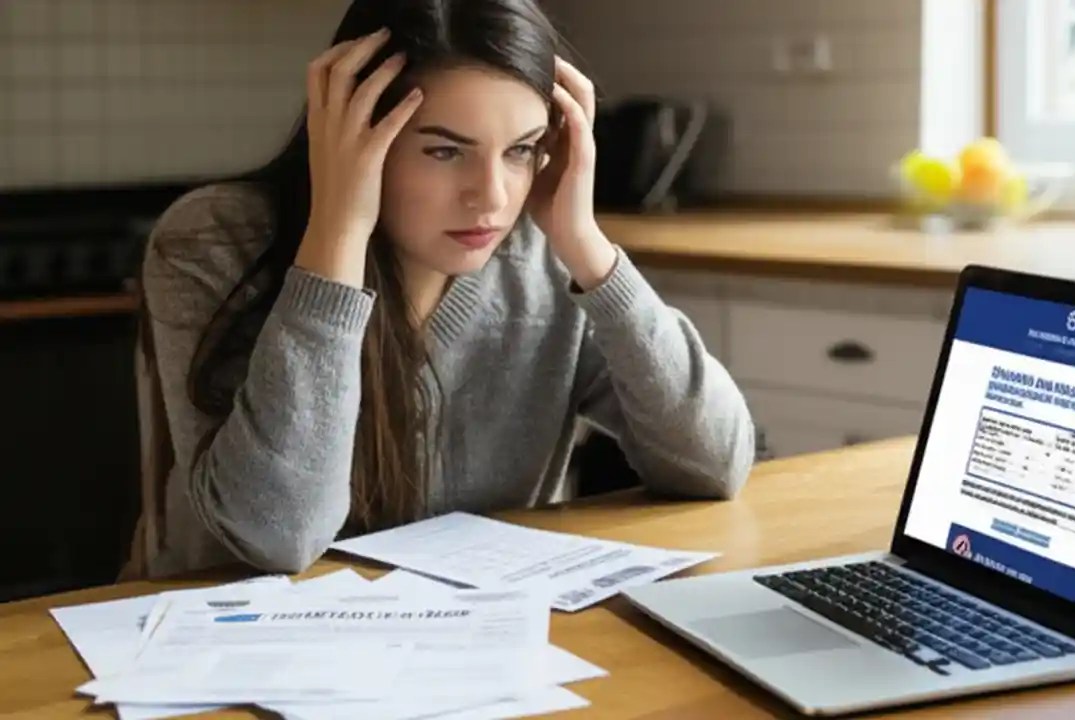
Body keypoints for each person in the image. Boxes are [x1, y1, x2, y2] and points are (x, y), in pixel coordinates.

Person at [123, 0, 755, 579]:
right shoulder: (210, 242)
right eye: (445, 152)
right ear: (352, 130)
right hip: (217, 648)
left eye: (521, 150)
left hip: (486, 647)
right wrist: (338, 232)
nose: (493, 197)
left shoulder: (544, 259)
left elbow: (714, 463)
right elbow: (277, 536)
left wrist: (586, 244)